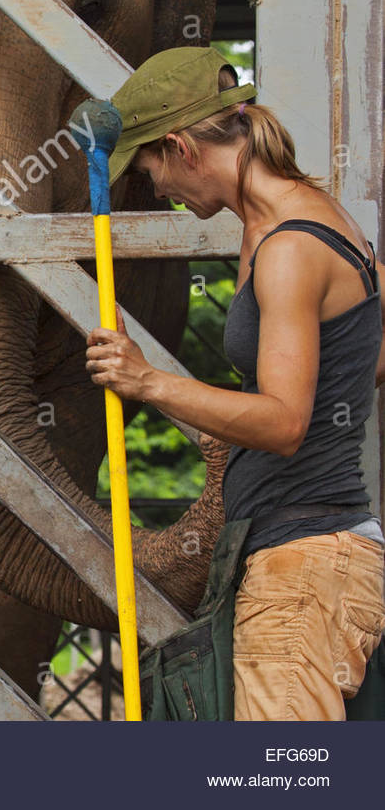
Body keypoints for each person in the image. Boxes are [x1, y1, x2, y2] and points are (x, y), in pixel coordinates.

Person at [85, 46, 385, 720]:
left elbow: (283, 423)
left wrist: (147, 382)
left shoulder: (289, 243)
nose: (155, 187)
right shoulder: (281, 225)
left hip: (305, 571)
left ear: (182, 147)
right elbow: (368, 342)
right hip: (300, 556)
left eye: (150, 167)